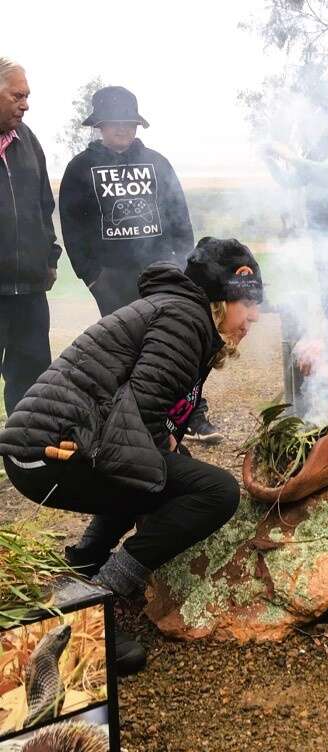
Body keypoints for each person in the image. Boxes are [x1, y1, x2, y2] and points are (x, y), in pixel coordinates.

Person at [0, 237, 262, 673]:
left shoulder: (180, 315)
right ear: (218, 299)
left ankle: (82, 568)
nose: (254, 315)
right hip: (48, 452)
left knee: (163, 472)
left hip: (57, 445)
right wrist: (164, 453)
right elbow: (141, 414)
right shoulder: (184, 320)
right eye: (246, 302)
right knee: (215, 492)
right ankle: (99, 601)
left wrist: (169, 448)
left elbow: (143, 416)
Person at [59, 86, 219, 443]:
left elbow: (180, 215)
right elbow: (73, 226)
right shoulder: (80, 168)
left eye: (129, 123)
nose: (123, 130)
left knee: (181, 340)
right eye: (115, 122)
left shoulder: (158, 164)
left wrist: (185, 263)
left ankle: (191, 414)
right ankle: (133, 419)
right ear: (99, 125)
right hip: (112, 278)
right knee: (126, 347)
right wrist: (93, 276)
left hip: (164, 271)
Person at [264, 104, 328, 345]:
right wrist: (270, 161)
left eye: (320, 115)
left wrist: (290, 156)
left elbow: (326, 171)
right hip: (321, 231)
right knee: (327, 289)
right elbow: (290, 181)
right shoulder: (315, 150)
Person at [0, 58, 61, 416]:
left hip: (29, 293)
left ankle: (27, 466)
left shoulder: (27, 140)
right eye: (17, 96)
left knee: (33, 385)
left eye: (27, 96)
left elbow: (43, 204)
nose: (25, 104)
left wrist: (49, 259)